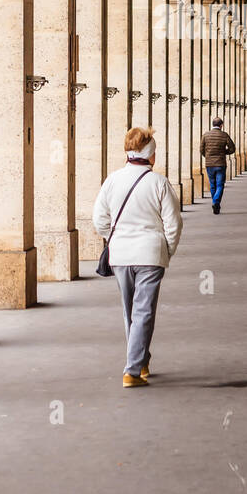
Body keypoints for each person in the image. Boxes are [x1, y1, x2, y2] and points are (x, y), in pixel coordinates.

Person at [92, 127, 182, 388]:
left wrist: (114, 237)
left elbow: (99, 219)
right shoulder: (159, 183)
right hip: (150, 254)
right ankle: (132, 371)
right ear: (151, 155)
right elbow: (173, 223)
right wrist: (167, 249)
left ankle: (141, 360)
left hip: (120, 255)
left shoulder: (112, 180)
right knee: (143, 312)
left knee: (130, 310)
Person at [199, 116, 236, 214]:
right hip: (220, 163)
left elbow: (201, 149)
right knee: (220, 184)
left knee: (212, 184)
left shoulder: (206, 135)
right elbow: (232, 148)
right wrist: (225, 152)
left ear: (213, 124)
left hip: (209, 164)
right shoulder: (224, 135)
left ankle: (215, 202)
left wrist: (207, 156)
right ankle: (216, 202)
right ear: (221, 125)